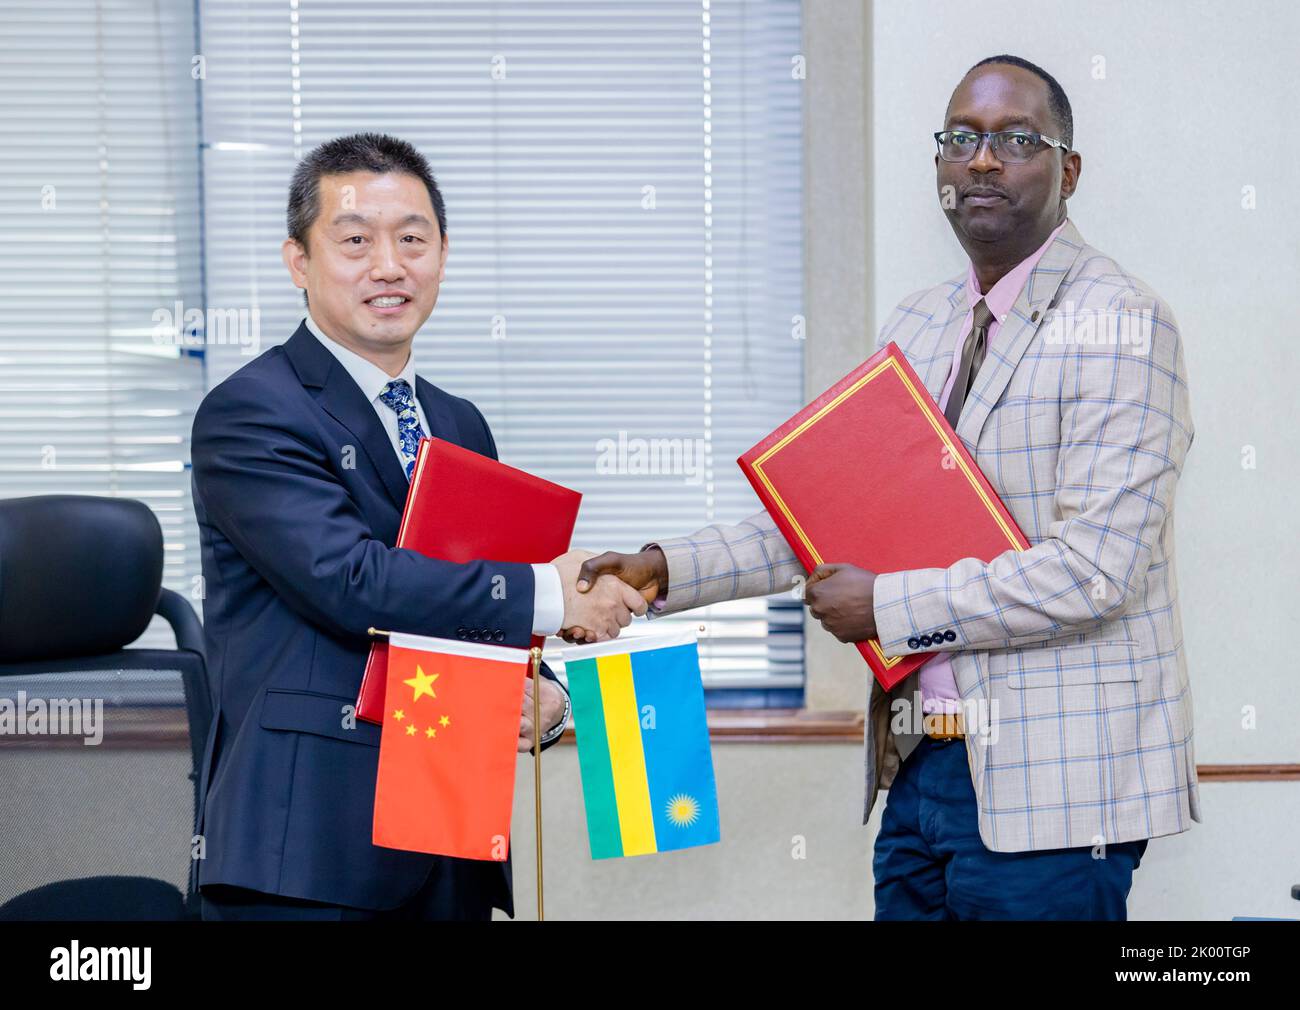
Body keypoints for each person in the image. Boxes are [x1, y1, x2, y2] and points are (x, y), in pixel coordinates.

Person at [570, 55, 1198, 920]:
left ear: (1068, 169)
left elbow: (1094, 572)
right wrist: (659, 568)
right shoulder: (919, 321)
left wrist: (888, 608)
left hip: (1053, 796)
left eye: (1016, 140)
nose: (981, 161)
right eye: (960, 139)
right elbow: (827, 516)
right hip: (919, 764)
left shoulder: (1123, 322)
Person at [190, 133, 646, 921]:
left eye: (412, 239)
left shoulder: (458, 422)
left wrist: (537, 692)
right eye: (356, 241)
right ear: (298, 261)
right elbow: (350, 581)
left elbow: (473, 616)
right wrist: (552, 592)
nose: (389, 266)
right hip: (307, 852)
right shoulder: (251, 411)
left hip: (449, 836)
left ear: (442, 253)